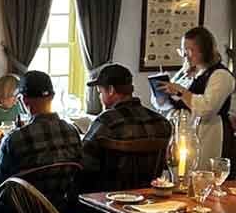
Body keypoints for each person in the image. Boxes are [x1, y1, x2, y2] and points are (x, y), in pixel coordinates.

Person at [0, 70, 83, 193]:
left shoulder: (15, 139)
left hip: (20, 210)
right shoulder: (73, 132)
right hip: (61, 208)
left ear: (23, 100)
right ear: (53, 97)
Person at [82, 63, 172, 187]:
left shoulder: (107, 121)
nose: (99, 96)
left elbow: (85, 162)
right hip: (150, 198)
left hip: (107, 200)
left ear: (111, 90)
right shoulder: (162, 122)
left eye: (100, 91)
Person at [157, 27, 235, 165]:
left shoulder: (221, 75)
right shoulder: (186, 71)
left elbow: (206, 109)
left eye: (189, 50)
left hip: (208, 133)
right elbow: (165, 104)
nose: (185, 55)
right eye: (183, 50)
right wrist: (161, 91)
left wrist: (181, 91)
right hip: (181, 133)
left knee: (201, 174)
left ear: (204, 51)